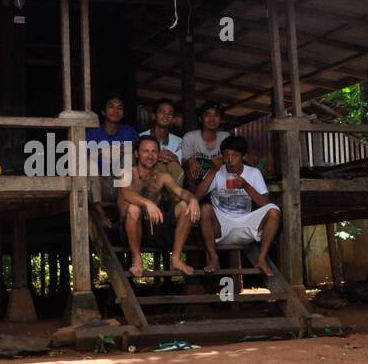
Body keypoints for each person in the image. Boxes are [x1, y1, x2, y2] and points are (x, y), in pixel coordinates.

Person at [195, 134, 281, 276]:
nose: (230, 160)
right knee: (204, 209)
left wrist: (246, 186)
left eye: (234, 155)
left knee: (274, 210)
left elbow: (265, 203)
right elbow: (196, 196)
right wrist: (213, 171)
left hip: (245, 223)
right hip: (220, 226)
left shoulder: (253, 173)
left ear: (243, 156)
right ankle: (213, 257)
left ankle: (261, 259)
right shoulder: (218, 172)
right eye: (226, 155)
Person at [118, 136, 200, 277]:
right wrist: (147, 203)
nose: (150, 155)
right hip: (132, 229)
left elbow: (181, 192)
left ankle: (175, 259)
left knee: (185, 205)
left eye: (154, 151)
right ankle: (137, 261)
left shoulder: (162, 176)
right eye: (145, 151)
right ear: (137, 154)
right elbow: (126, 193)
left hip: (156, 228)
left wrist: (193, 200)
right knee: (134, 209)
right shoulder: (126, 173)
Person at [85, 95, 140, 228]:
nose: (116, 111)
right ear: (103, 112)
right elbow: (85, 157)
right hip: (99, 184)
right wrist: (104, 151)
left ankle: (125, 214)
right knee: (87, 165)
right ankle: (101, 214)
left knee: (130, 157)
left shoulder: (128, 131)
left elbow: (136, 148)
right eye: (111, 107)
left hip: (121, 186)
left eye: (119, 108)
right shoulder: (93, 133)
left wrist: (117, 150)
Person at [181, 100, 231, 186]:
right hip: (197, 179)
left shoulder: (226, 137)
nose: (212, 119)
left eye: (216, 115)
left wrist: (223, 160)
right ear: (201, 118)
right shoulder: (190, 137)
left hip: (219, 178)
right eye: (207, 115)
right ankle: (195, 199)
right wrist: (191, 160)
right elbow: (184, 161)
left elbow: (232, 159)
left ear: (221, 119)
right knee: (189, 170)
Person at [140, 98, 183, 180]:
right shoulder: (141, 137)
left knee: (174, 166)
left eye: (170, 113)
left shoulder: (179, 142)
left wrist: (176, 160)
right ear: (153, 116)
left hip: (169, 183)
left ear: (173, 119)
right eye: (162, 112)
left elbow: (179, 169)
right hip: (146, 180)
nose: (166, 116)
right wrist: (156, 155)